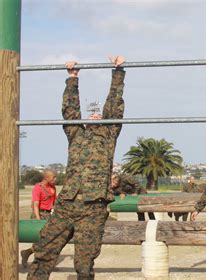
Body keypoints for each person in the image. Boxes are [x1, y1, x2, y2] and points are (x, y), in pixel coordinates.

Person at [28, 56, 126, 279]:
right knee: (45, 250)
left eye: (98, 113)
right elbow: (69, 111)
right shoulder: (76, 134)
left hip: (93, 206)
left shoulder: (108, 134)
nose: (94, 115)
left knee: (84, 262)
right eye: (91, 113)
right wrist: (73, 78)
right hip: (67, 203)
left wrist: (117, 72)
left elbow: (115, 108)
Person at [21, 170, 57, 268]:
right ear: (46, 178)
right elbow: (36, 205)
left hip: (49, 215)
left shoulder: (52, 187)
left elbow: (54, 202)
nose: (55, 179)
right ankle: (39, 263)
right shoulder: (38, 188)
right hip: (39, 214)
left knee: (51, 240)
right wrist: (38, 220)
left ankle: (28, 252)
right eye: (53, 177)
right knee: (40, 240)